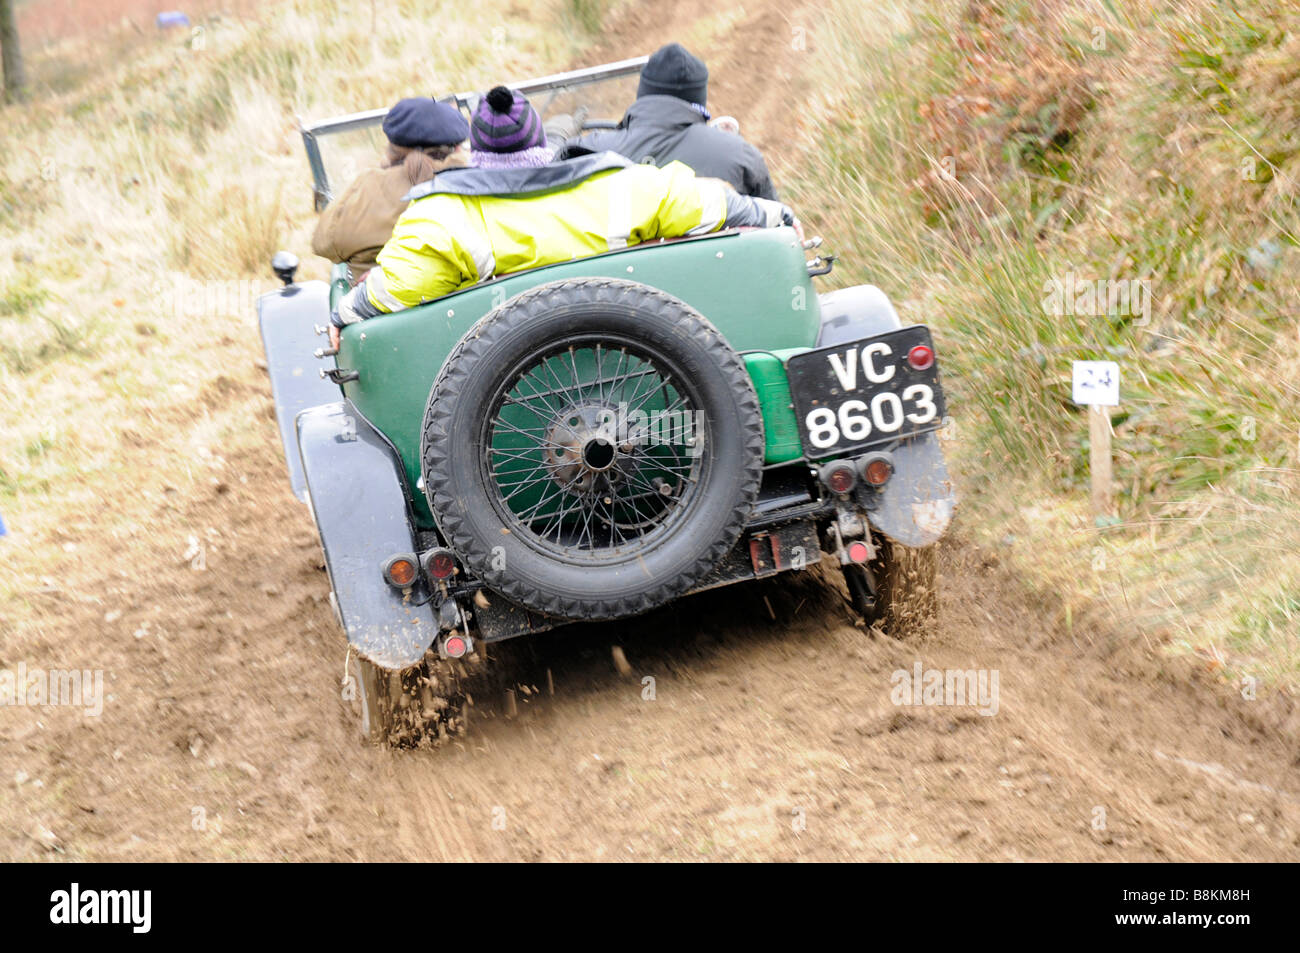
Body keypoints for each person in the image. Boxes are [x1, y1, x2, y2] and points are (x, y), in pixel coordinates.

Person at [329, 86, 796, 336]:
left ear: (478, 155)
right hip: (648, 368)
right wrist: (780, 218)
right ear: (539, 143)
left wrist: (339, 316)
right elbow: (720, 205)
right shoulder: (626, 186)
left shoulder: (441, 220)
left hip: (516, 424)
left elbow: (388, 293)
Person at [554, 43, 778, 200]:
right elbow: (777, 229)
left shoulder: (585, 151)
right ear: (699, 101)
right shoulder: (740, 155)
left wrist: (556, 138)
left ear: (643, 93)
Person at [311, 97, 470, 280]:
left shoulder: (366, 187)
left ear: (394, 146)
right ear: (456, 147)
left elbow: (322, 244)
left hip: (381, 303)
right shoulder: (474, 181)